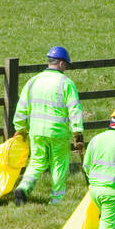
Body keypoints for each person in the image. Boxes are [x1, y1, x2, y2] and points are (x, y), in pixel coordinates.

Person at [12, 46, 84, 206]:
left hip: (36, 131)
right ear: (60, 63)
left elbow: (21, 107)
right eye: (66, 64)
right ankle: (56, 200)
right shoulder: (66, 83)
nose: (66, 67)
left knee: (36, 162)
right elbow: (75, 109)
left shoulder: (33, 81)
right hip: (58, 133)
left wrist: (20, 129)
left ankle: (23, 188)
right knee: (59, 164)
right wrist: (77, 132)